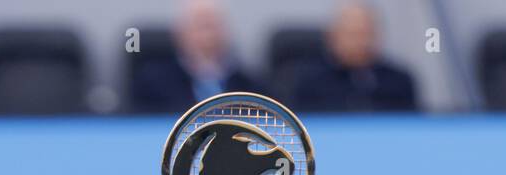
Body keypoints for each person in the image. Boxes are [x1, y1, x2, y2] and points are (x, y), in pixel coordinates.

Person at [132, 0, 264, 113]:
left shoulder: (249, 84)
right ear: (180, 33)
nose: (208, 36)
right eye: (201, 26)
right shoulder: (153, 84)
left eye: (214, 26)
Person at [293, 2, 418, 112]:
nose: (361, 42)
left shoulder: (399, 81)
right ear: (332, 36)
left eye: (366, 34)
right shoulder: (309, 81)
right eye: (352, 34)